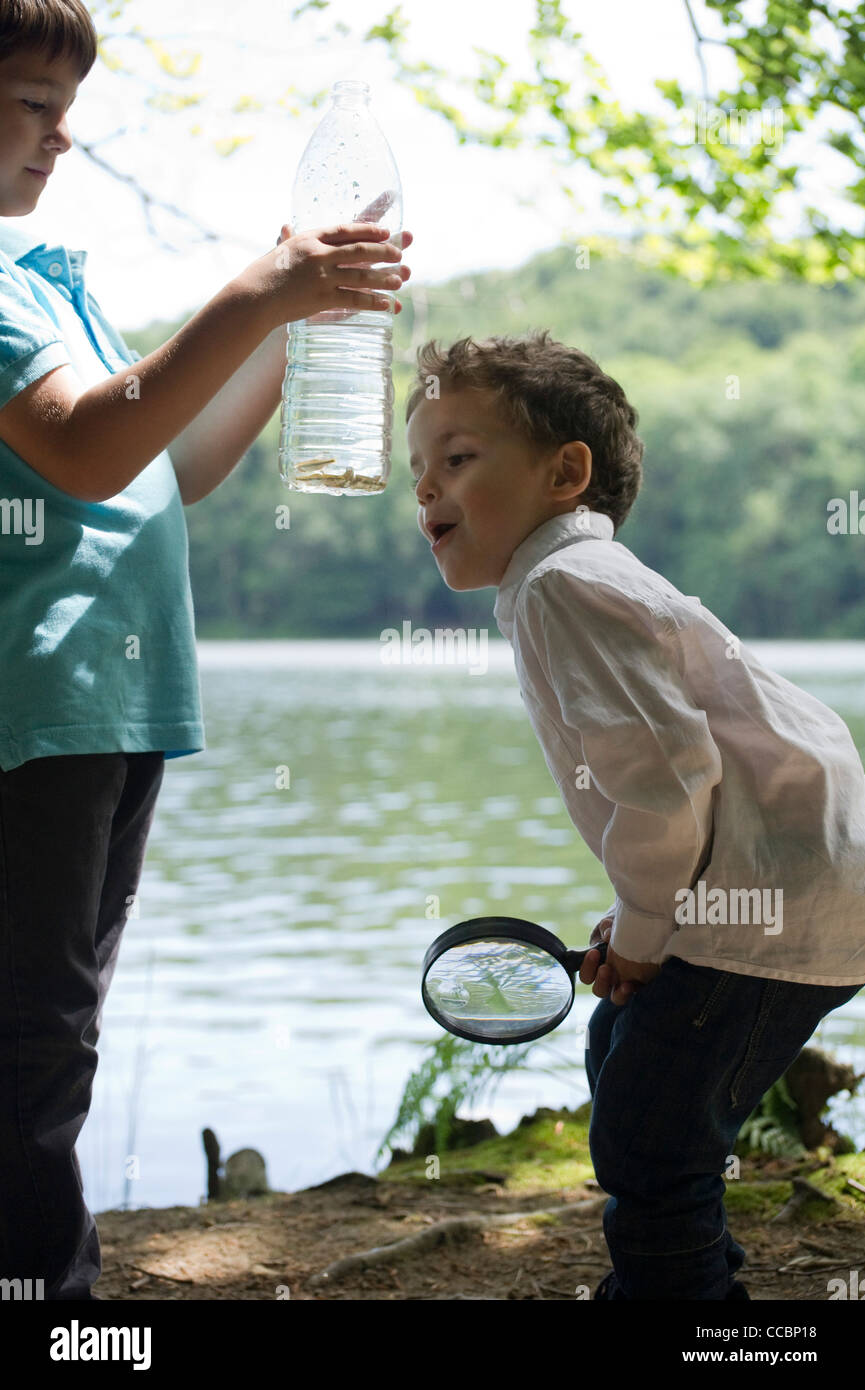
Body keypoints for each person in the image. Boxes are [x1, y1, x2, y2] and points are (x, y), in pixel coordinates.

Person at [0, 0, 412, 1300]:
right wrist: (250, 293)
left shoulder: (46, 281)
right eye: (29, 106)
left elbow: (166, 463)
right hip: (34, 711)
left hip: (112, 714)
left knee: (51, 1027)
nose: (60, 140)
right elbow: (83, 443)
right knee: (30, 1038)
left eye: (69, 114)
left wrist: (288, 343)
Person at [405, 329, 865, 1300]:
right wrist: (643, 918)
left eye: (457, 458)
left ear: (566, 472)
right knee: (624, 1054)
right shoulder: (575, 582)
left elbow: (665, 781)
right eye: (418, 469)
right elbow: (664, 785)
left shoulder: (564, 587)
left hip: (778, 904)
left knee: (654, 1148)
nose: (426, 489)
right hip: (778, 882)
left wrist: (656, 932)